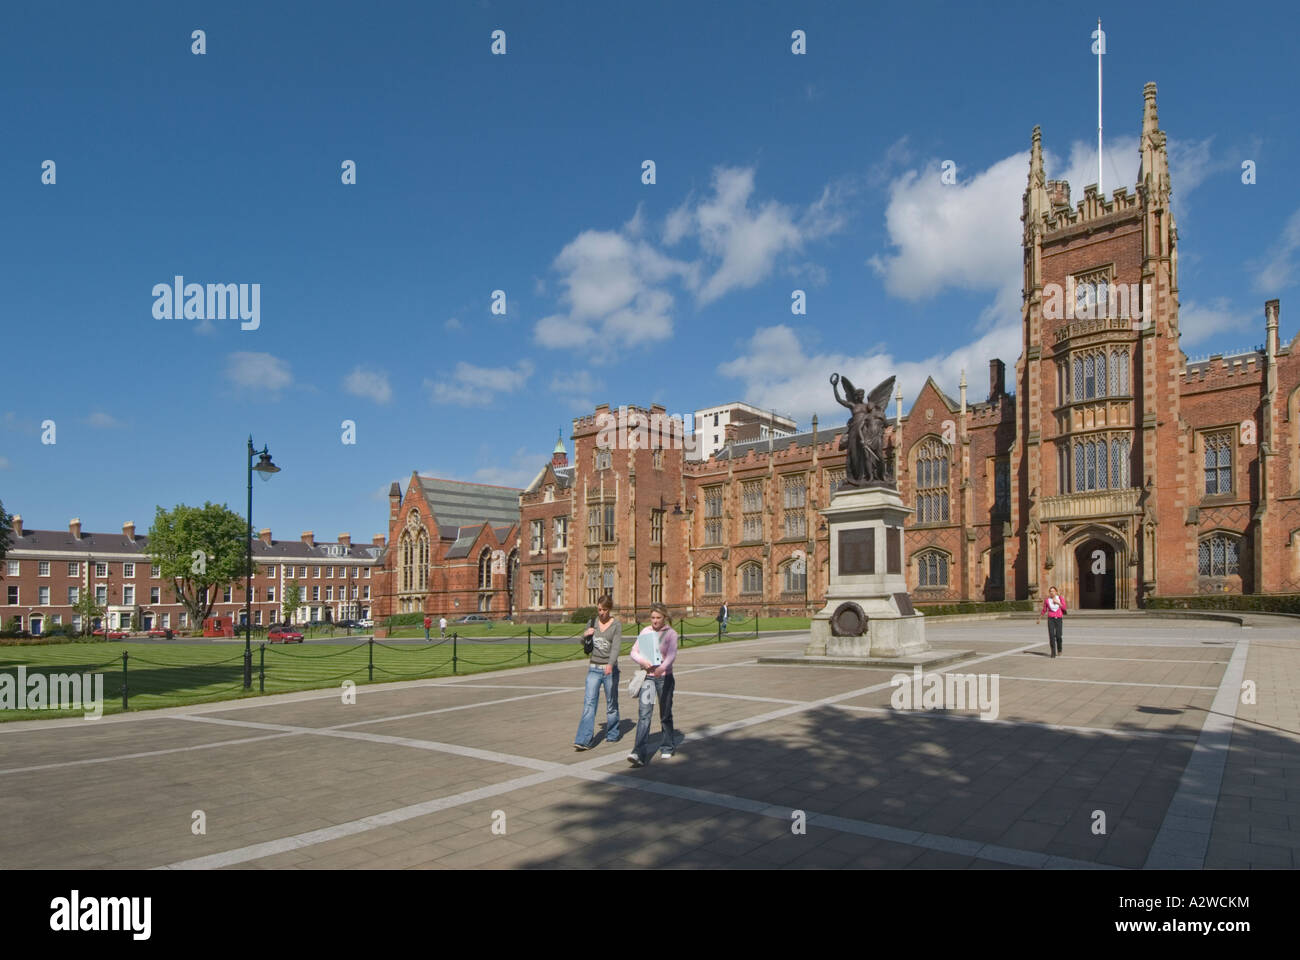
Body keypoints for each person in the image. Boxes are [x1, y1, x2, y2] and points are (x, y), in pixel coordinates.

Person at [627, 602, 679, 766]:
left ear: (664, 617)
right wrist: (643, 661)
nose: (655, 621)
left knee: (665, 714)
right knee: (644, 715)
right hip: (648, 678)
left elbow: (671, 655)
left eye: (658, 618)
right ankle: (638, 753)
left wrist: (662, 668)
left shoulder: (671, 634)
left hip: (665, 678)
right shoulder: (645, 631)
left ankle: (667, 746)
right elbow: (633, 652)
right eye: (652, 618)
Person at [574, 594, 622, 750]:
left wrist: (610, 664)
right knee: (589, 703)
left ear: (609, 609)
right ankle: (584, 740)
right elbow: (583, 643)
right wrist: (585, 635)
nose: (601, 613)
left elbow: (615, 647)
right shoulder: (592, 622)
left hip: (609, 669)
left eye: (603, 610)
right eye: (599, 609)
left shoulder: (616, 625)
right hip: (593, 668)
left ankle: (613, 733)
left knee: (611, 704)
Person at [1037, 586, 1067, 658]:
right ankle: (1053, 652)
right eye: (1050, 591)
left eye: (1053, 591)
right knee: (1051, 636)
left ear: (1056, 592)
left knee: (1058, 636)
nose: (1051, 592)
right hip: (1051, 619)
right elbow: (1044, 609)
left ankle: (1059, 649)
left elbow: (1064, 608)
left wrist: (1058, 603)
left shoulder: (1060, 598)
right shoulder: (1047, 600)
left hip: (1059, 619)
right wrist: (1039, 618)